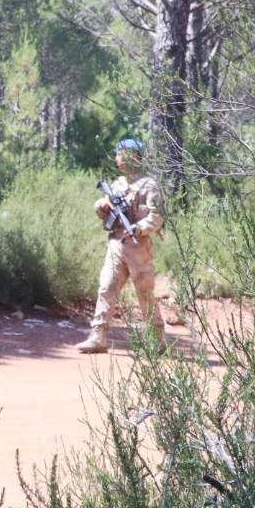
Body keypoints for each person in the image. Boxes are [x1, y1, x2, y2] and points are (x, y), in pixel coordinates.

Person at [75, 138, 166, 352]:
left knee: (144, 291)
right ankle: (98, 337)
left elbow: (157, 217)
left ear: (134, 156)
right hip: (116, 243)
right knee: (107, 287)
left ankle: (157, 340)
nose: (117, 158)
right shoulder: (117, 185)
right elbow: (101, 211)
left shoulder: (149, 185)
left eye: (120, 154)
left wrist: (138, 228)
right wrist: (102, 205)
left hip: (139, 247)